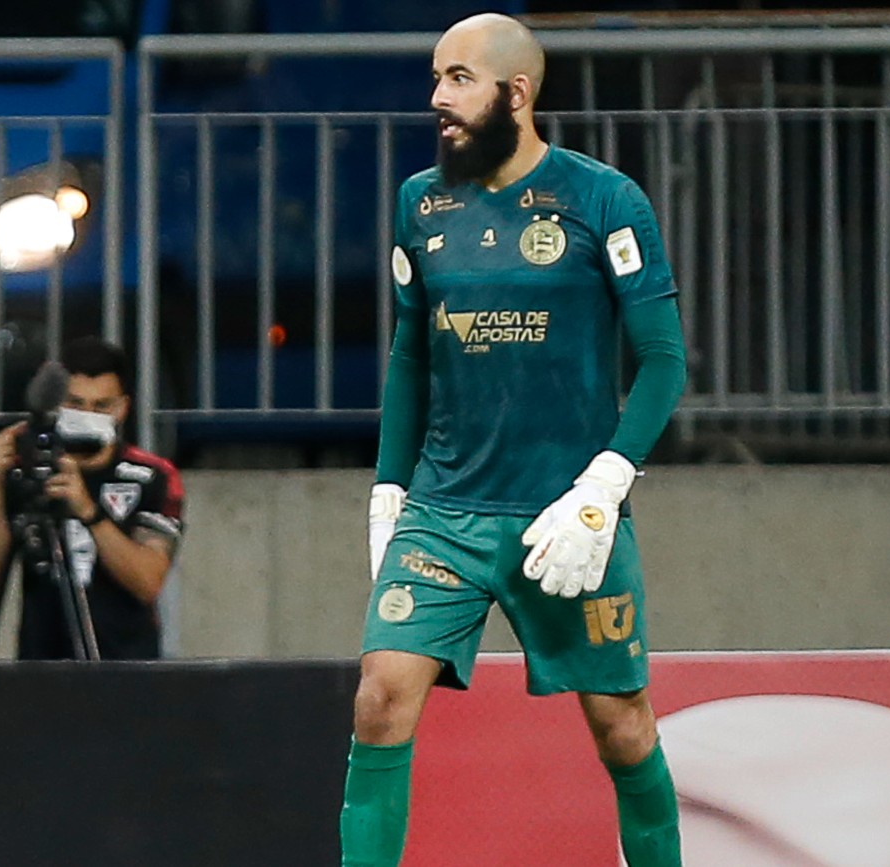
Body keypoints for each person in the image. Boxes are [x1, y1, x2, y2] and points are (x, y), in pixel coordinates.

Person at [340, 12, 686, 867]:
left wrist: (601, 492)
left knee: (624, 726)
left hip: (565, 513)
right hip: (446, 511)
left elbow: (664, 361)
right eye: (436, 77)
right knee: (381, 694)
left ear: (516, 92)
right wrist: (390, 491)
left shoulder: (604, 199)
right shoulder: (419, 203)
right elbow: (409, 356)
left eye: (457, 78)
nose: (436, 99)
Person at [0, 336, 184, 660]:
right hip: (41, 670)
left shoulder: (153, 476)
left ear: (122, 408)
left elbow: (148, 581)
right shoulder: (27, 469)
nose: (87, 415)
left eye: (101, 406)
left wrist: (89, 512)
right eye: (76, 404)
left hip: (127, 670)